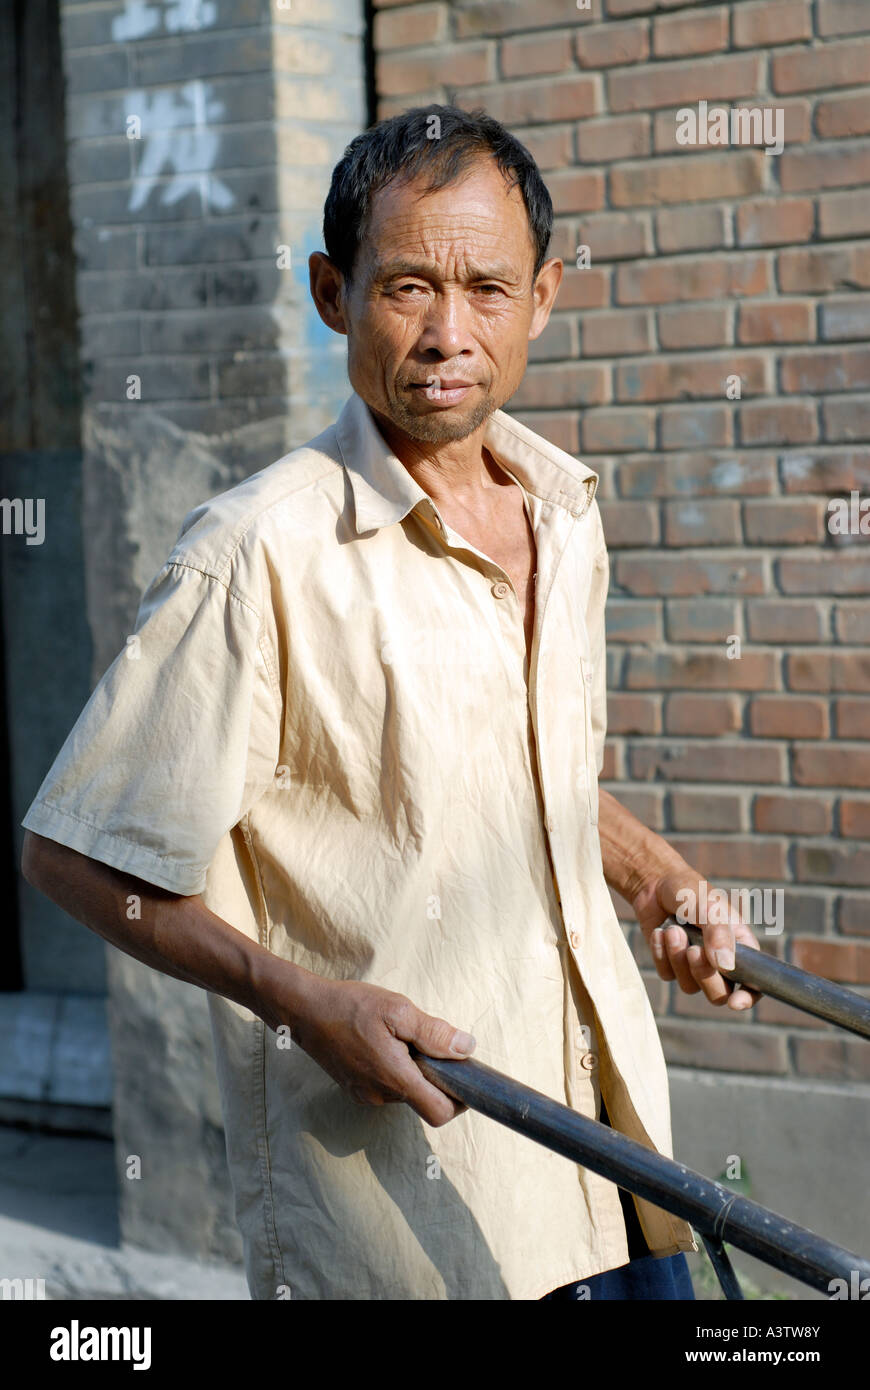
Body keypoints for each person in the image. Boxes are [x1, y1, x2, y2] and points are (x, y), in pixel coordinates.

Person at [21, 105, 760, 1301]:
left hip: (618, 1169)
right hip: (414, 1217)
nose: (448, 332)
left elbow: (518, 764)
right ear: (333, 292)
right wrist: (300, 1001)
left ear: (546, 296)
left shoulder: (562, 511)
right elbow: (71, 852)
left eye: (488, 288)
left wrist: (652, 875)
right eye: (408, 287)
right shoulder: (257, 552)